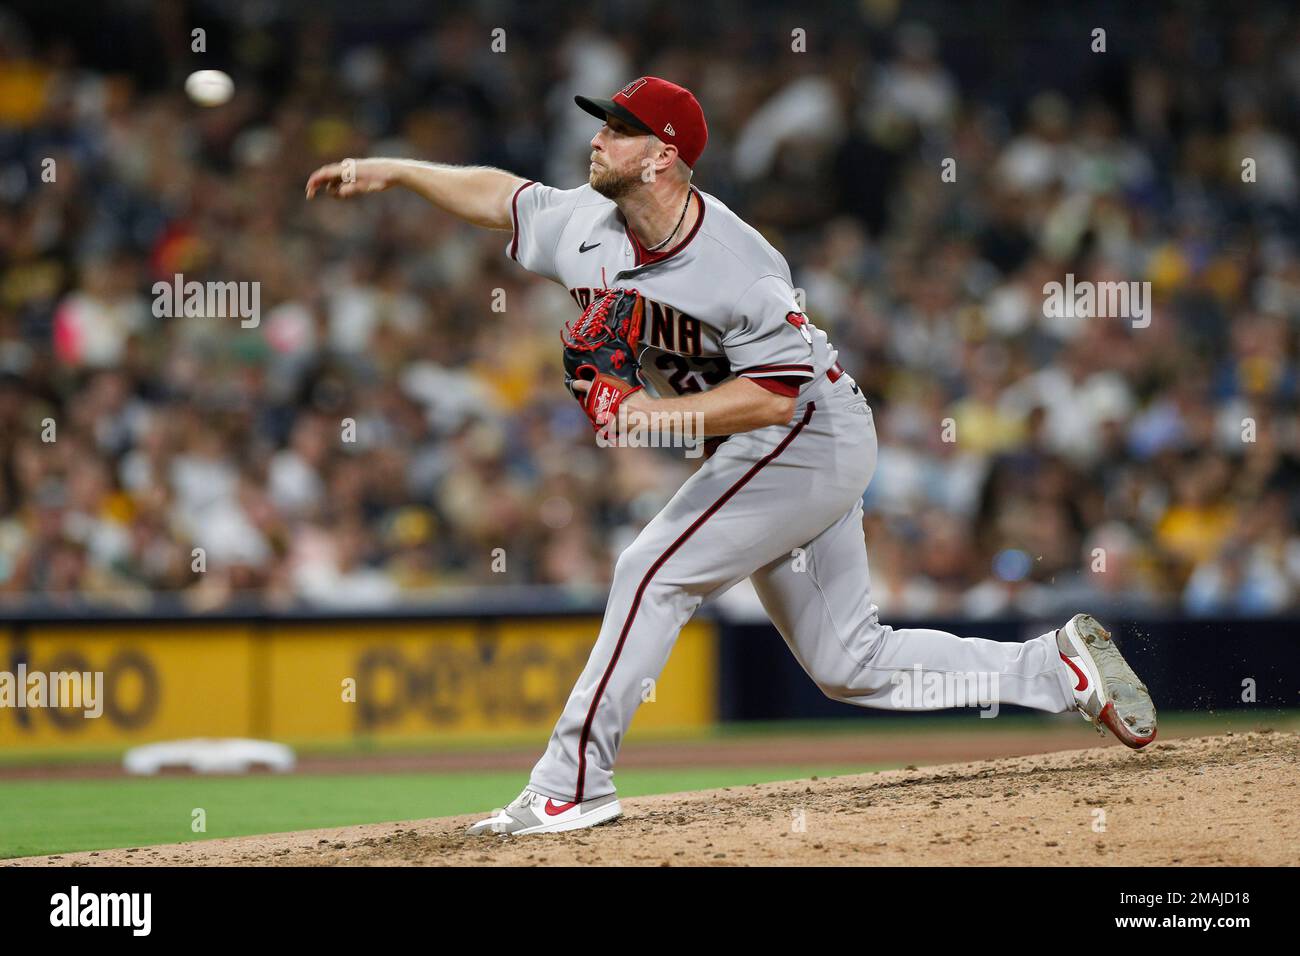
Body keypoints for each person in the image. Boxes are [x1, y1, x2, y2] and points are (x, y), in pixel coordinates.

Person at [305, 76, 1157, 837]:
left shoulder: (738, 262)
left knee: (649, 569)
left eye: (619, 128)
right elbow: (505, 197)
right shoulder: (591, 224)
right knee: (847, 663)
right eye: (602, 123)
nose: (597, 138)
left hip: (804, 432)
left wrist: (649, 418)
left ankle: (571, 785)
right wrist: (395, 170)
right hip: (771, 441)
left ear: (662, 158)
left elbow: (775, 397)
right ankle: (1053, 668)